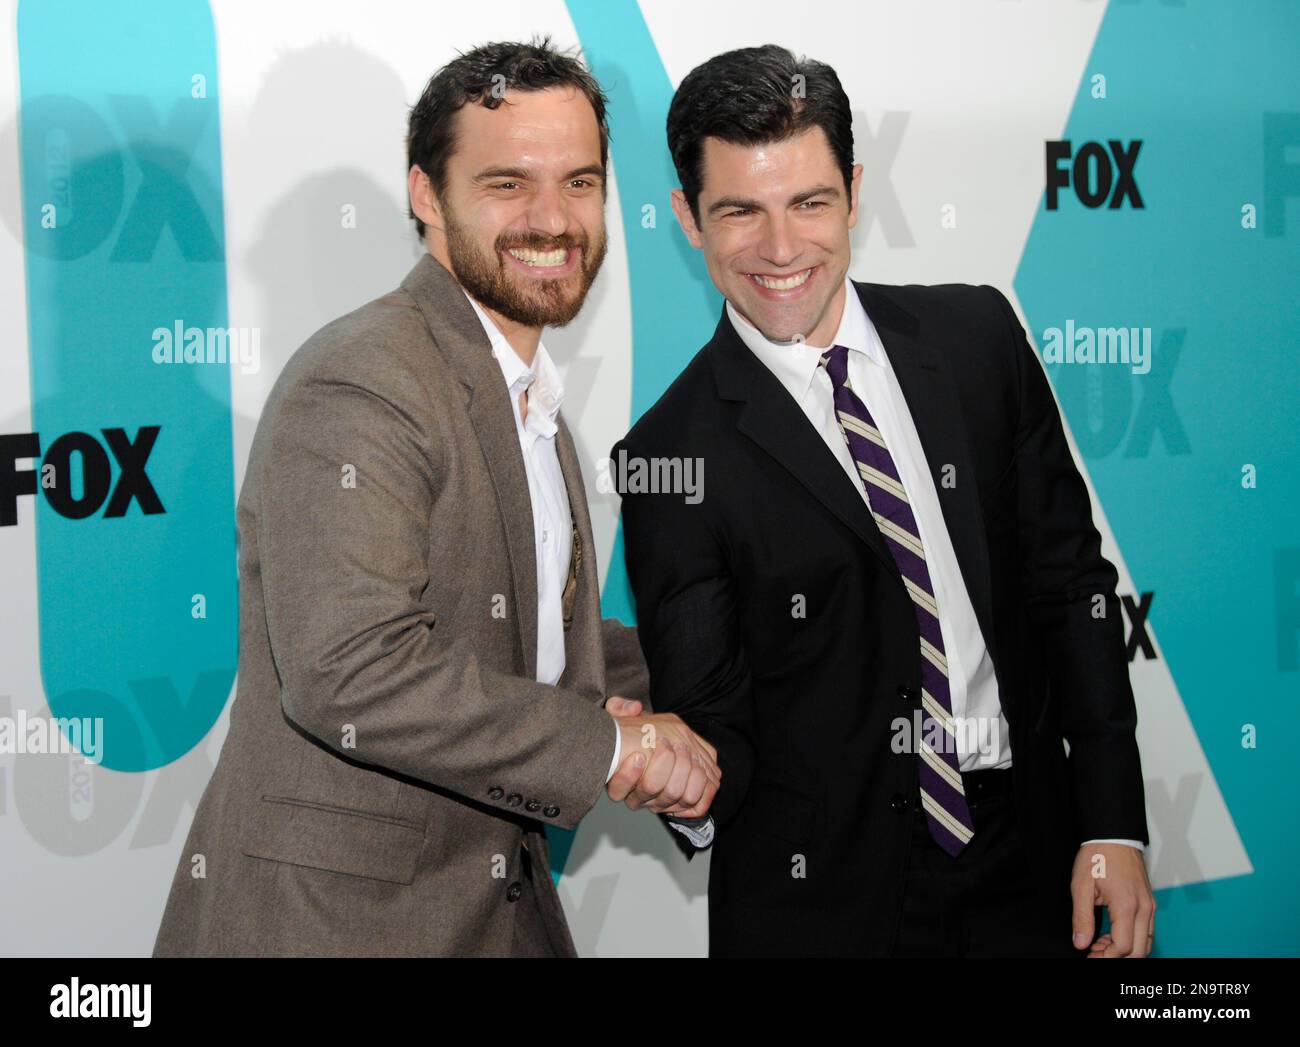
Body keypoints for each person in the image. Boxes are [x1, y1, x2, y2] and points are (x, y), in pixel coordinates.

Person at [153, 37, 718, 959]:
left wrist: (730, 654)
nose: (552, 218)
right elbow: (352, 671)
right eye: (508, 184)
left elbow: (512, 639)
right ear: (426, 194)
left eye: (579, 182)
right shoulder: (365, 379)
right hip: (338, 931)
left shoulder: (515, 386)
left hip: (490, 909)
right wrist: (612, 749)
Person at [614, 44, 1154, 957]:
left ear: (856, 192)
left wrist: (1112, 823)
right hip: (825, 907)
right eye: (740, 211)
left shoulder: (979, 336)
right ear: (687, 219)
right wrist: (687, 783)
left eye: (809, 203)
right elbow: (716, 723)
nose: (781, 250)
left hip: (1035, 861)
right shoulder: (668, 456)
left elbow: (1073, 590)